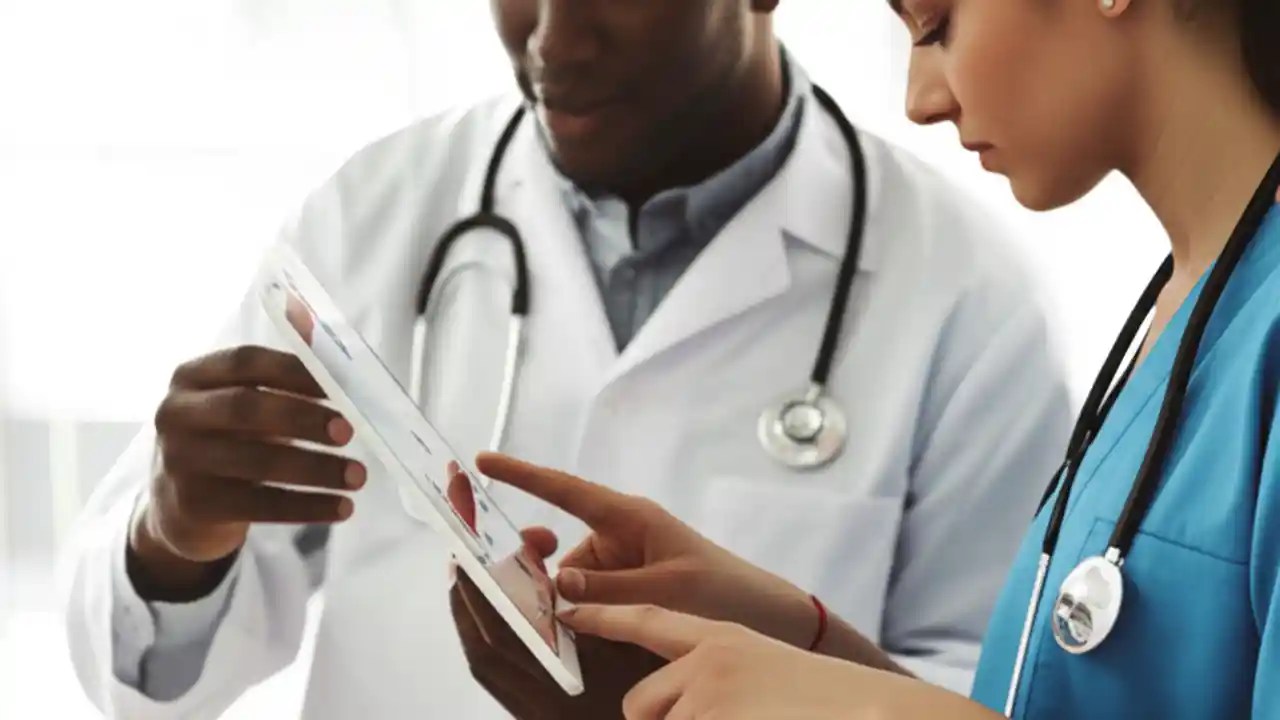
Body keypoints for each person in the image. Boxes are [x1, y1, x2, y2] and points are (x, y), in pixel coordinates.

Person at [59, 1, 1073, 718]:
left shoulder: (962, 295)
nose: (550, 38)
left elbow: (984, 700)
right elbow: (148, 677)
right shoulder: (372, 217)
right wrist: (174, 540)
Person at [453, 0, 1280, 716]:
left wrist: (867, 711)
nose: (919, 101)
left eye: (938, 26)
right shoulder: (1187, 310)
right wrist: (797, 639)